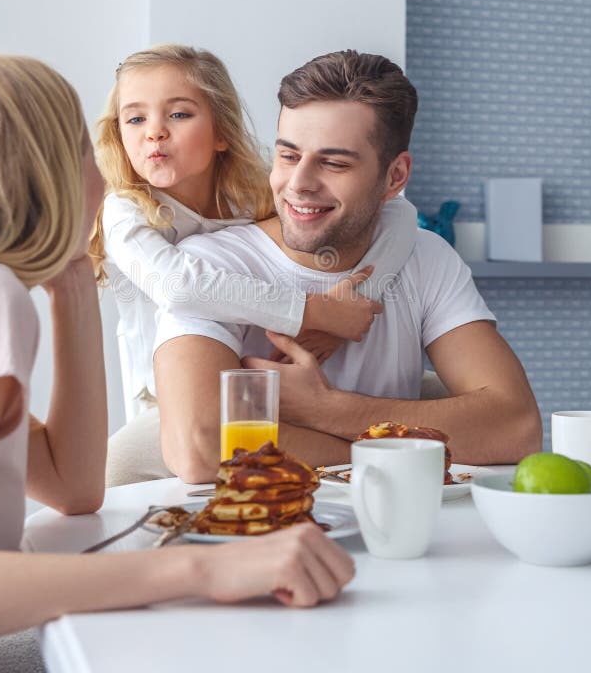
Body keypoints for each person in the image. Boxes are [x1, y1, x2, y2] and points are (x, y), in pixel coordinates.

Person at [0, 55, 355, 673]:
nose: (108, 174)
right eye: (88, 151)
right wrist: (201, 568)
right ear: (45, 175)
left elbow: (73, 489)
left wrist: (73, 284)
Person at [152, 50, 543, 483]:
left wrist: (327, 407)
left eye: (334, 162)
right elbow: (201, 448)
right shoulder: (209, 268)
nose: (298, 183)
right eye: (287, 156)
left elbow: (516, 426)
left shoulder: (425, 258)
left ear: (395, 177)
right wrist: (388, 451)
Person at [89, 45, 419, 484]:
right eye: (135, 119)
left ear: (222, 131)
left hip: (273, 374)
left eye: (179, 115)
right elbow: (177, 286)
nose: (154, 133)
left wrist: (356, 303)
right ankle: (382, 456)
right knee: (123, 465)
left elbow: (400, 214)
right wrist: (314, 311)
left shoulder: (252, 196)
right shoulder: (124, 212)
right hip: (178, 400)